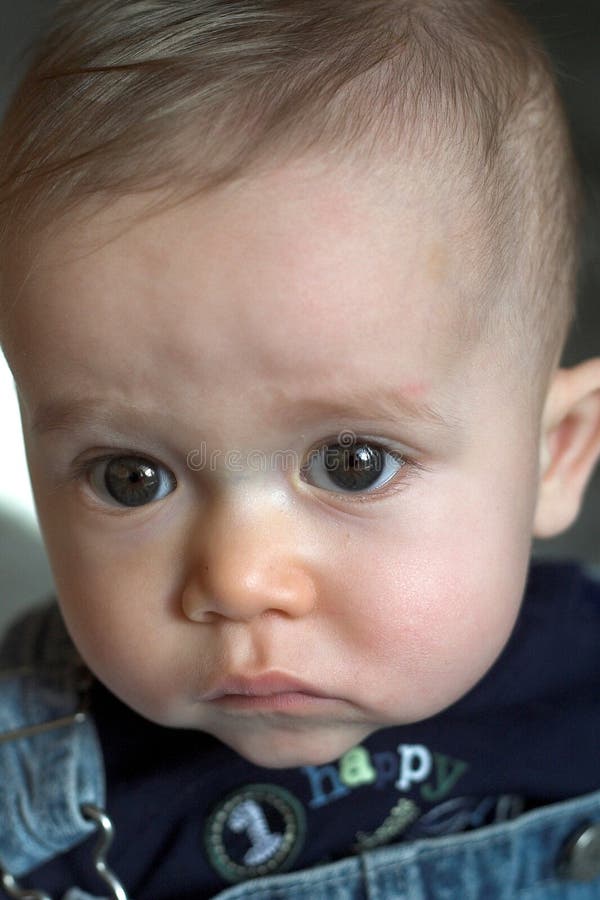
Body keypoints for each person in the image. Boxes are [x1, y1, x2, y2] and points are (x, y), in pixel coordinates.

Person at [0, 0, 599, 897]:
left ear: (555, 455)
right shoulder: (28, 771)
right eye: (132, 478)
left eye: (352, 463)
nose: (239, 581)